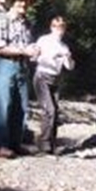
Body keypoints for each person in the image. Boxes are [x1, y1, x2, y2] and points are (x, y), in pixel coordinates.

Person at [0, 0, 40, 158]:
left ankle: (15, 143)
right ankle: (0, 145)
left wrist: (33, 49)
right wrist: (23, 51)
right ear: (13, 1)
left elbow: (27, 45)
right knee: (3, 105)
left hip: (23, 66)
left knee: (21, 106)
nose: (24, 4)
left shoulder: (27, 23)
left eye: (26, 0)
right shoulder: (2, 20)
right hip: (6, 64)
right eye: (20, 0)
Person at [32, 16, 75, 154]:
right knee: (49, 110)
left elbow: (70, 67)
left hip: (56, 79)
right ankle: (44, 143)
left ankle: (52, 143)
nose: (59, 29)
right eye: (56, 26)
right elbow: (35, 58)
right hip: (42, 76)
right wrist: (52, 57)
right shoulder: (44, 40)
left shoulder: (64, 46)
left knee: (55, 111)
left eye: (62, 26)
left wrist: (67, 57)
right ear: (51, 27)